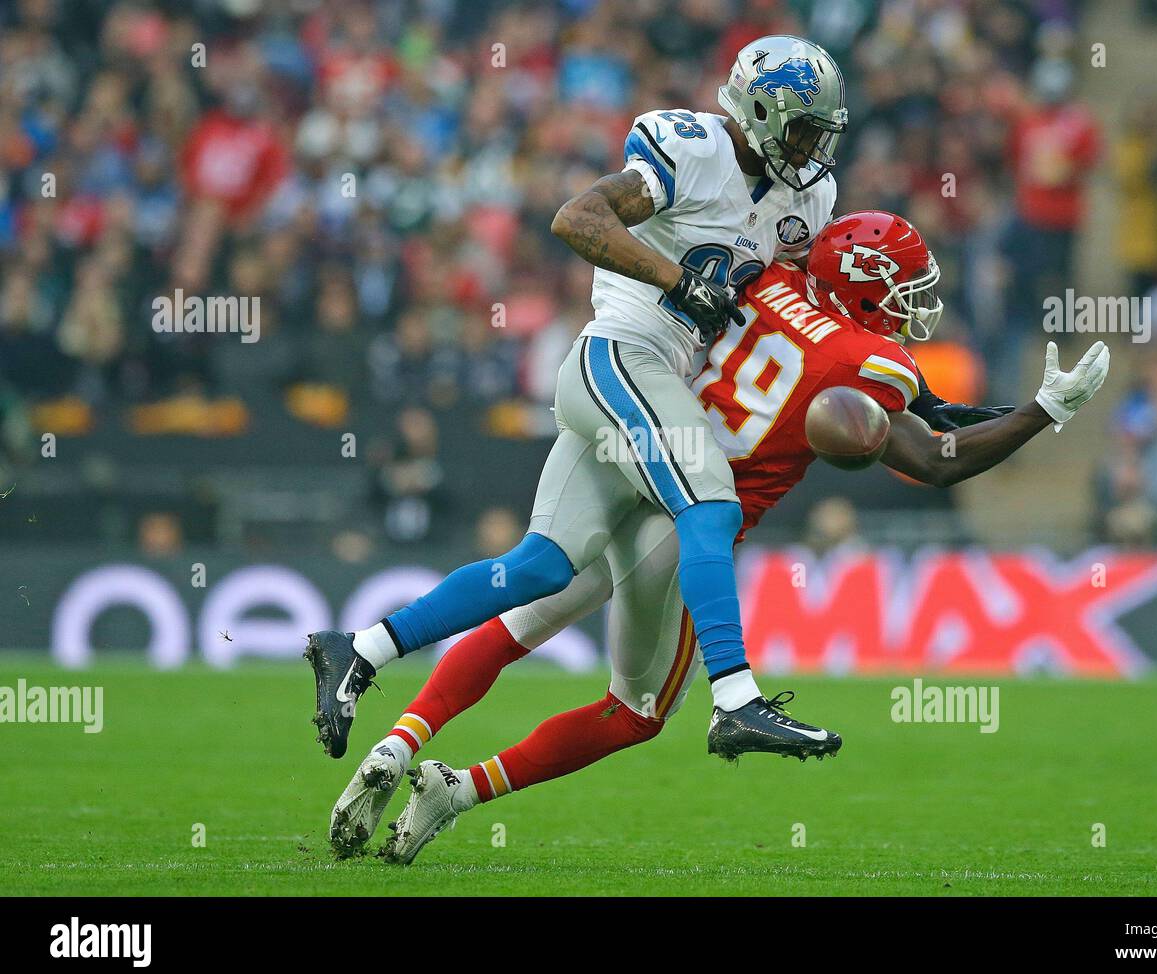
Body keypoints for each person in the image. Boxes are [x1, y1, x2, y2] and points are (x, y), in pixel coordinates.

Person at [324, 211, 1111, 862]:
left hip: (635, 447)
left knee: (520, 609)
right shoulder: (871, 359)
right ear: (867, 287)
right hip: (683, 523)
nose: (913, 308)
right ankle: (461, 788)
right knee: (636, 711)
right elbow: (938, 458)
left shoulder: (767, 278)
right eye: (906, 291)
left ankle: (397, 737)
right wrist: (1043, 411)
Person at [305, 36, 855, 765]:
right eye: (804, 129)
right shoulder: (693, 148)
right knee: (711, 501)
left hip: (653, 385)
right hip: (621, 355)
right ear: (760, 112)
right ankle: (735, 699)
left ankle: (361, 647)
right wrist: (676, 279)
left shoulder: (806, 198)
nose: (814, 148)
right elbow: (577, 217)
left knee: (542, 566)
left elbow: (800, 307)